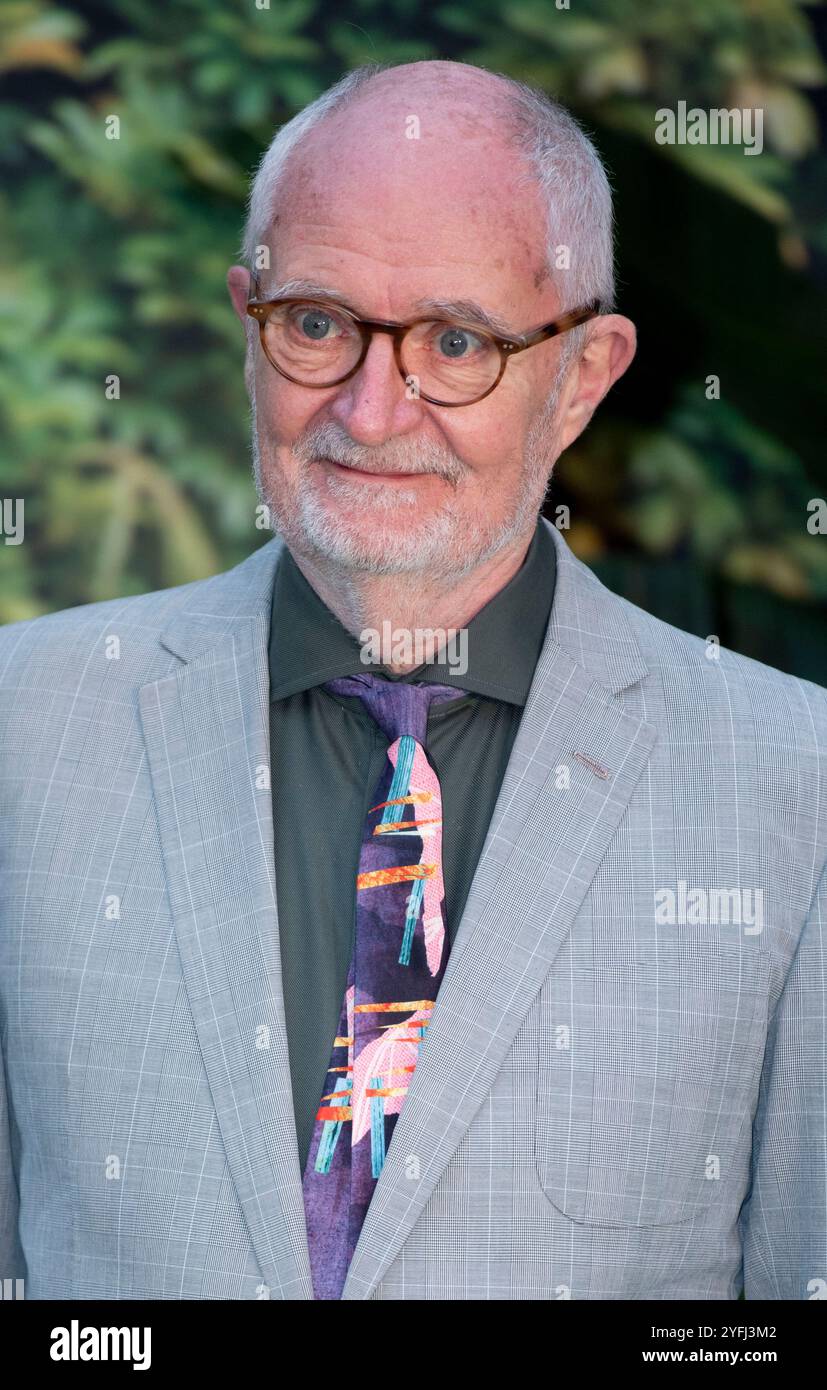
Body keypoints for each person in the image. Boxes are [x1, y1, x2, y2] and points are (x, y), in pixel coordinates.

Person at [0, 58, 824, 1302]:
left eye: (455, 341)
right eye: (318, 324)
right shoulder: (23, 729)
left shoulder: (794, 791)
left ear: (585, 375)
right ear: (248, 322)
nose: (373, 413)